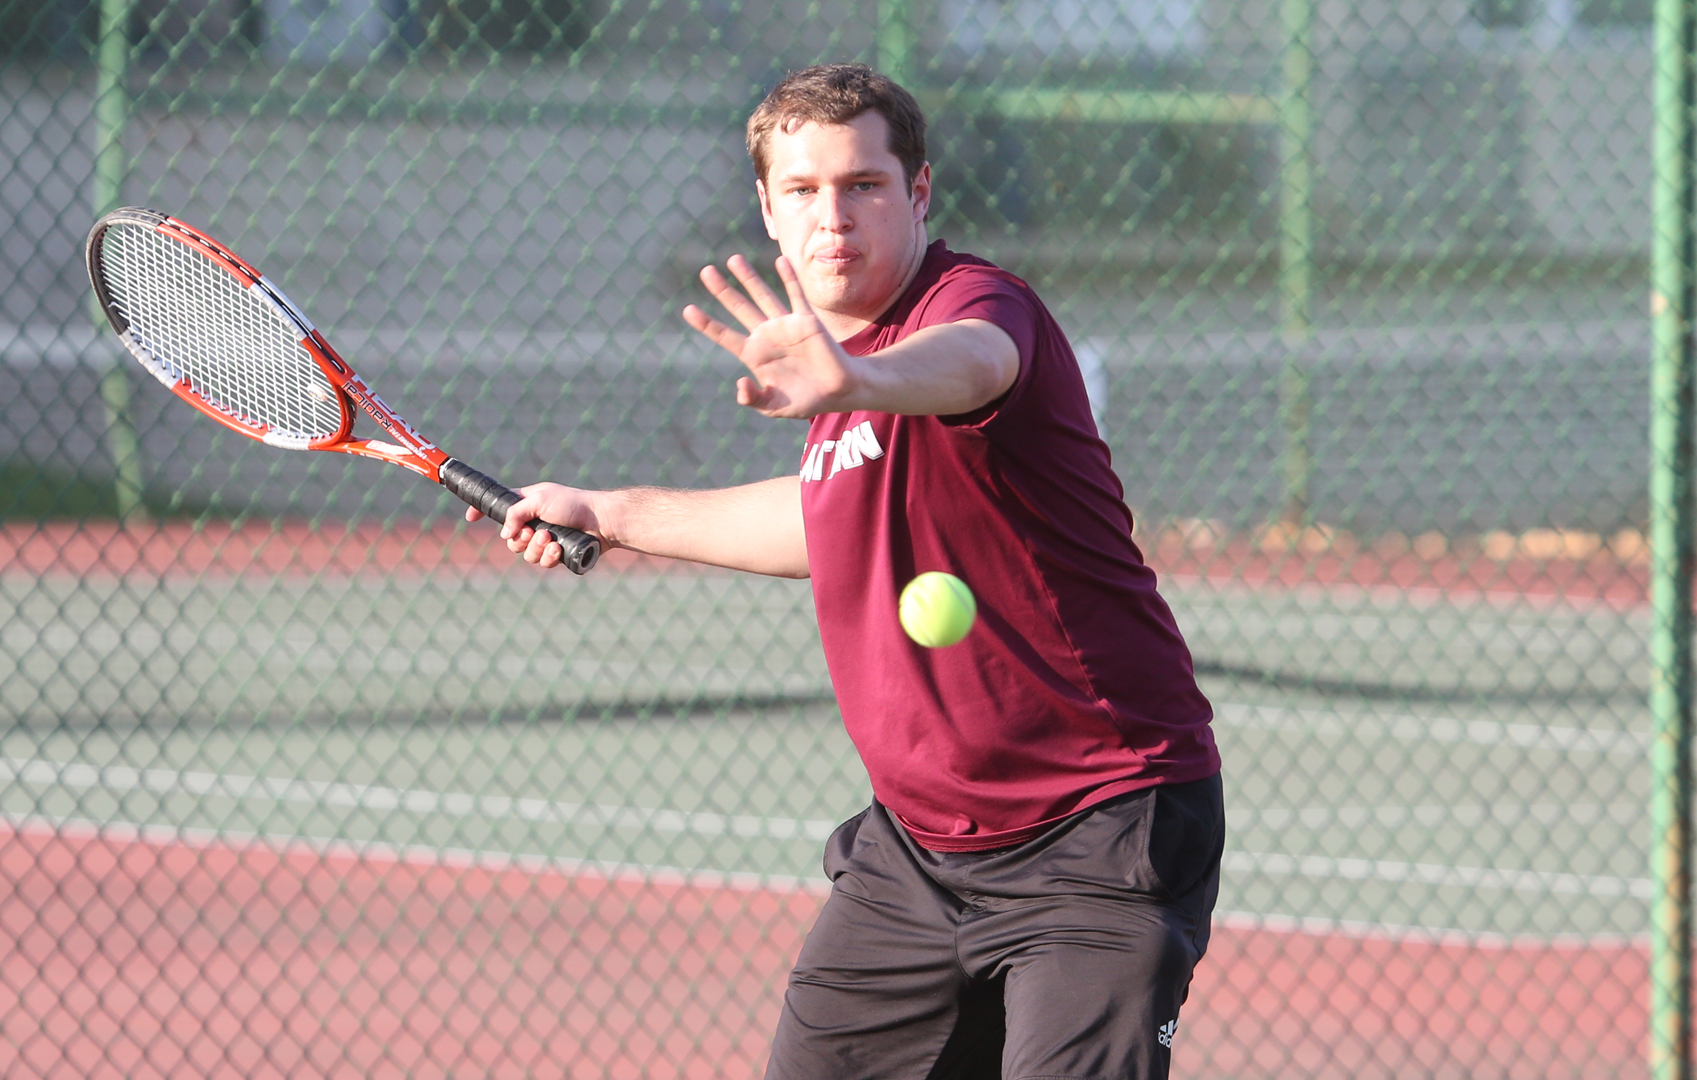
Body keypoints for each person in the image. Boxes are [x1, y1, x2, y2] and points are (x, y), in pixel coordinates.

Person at [468, 62, 1223, 1080]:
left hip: (1097, 835)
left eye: (865, 186)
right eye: (805, 191)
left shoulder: (973, 308)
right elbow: (826, 518)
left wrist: (861, 376)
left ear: (917, 195)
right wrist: (611, 514)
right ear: (769, 212)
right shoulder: (839, 373)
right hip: (915, 857)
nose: (835, 217)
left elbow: (974, 363)